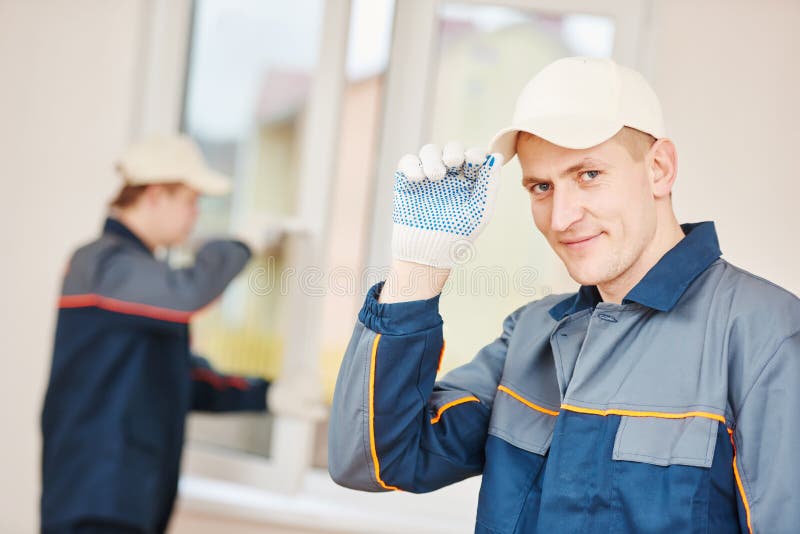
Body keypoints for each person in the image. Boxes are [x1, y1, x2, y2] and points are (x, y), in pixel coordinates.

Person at [328, 57, 799, 533]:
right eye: (541, 186)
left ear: (659, 169)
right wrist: (417, 271)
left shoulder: (766, 335)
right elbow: (373, 461)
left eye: (589, 175)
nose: (560, 217)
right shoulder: (531, 334)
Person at [40, 134, 321, 534]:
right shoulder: (101, 265)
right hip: (94, 503)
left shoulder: (139, 287)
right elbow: (189, 293)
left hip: (128, 504)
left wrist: (268, 394)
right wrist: (241, 246)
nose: (195, 215)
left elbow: (181, 380)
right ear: (155, 195)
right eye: (190, 201)